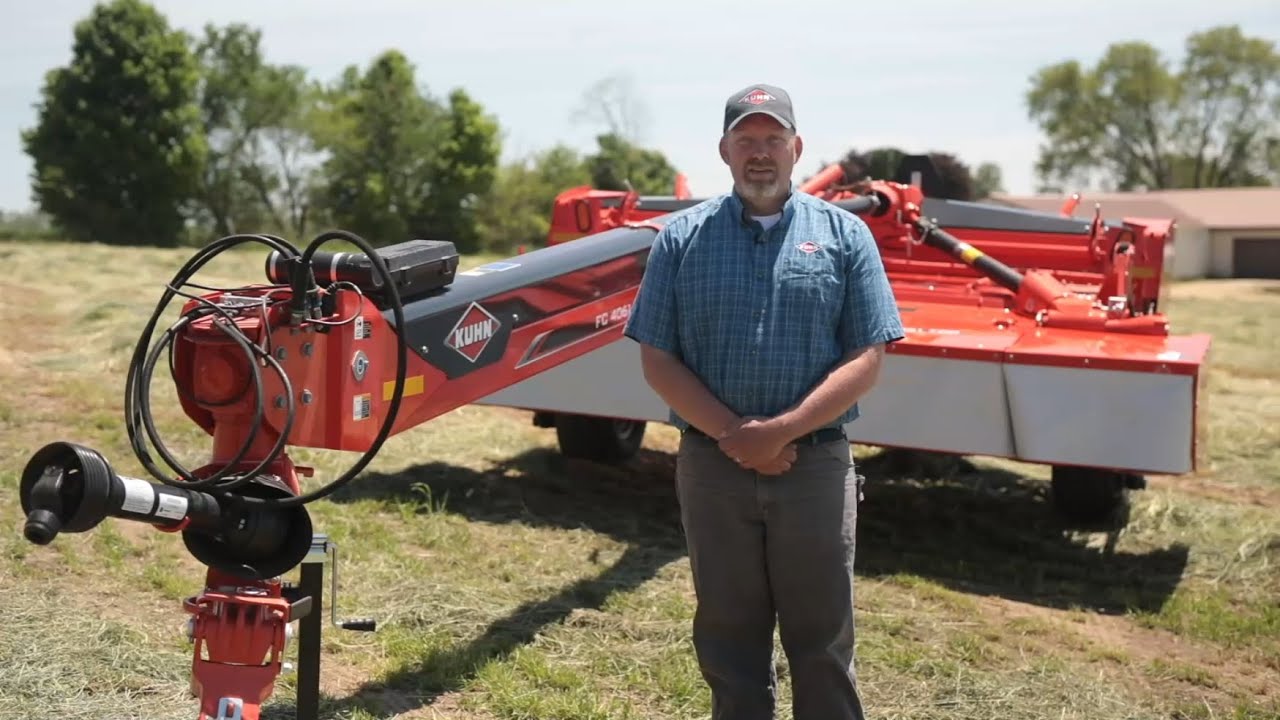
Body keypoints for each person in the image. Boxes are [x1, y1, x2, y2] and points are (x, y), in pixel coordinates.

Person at [622, 83, 904, 720]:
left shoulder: (846, 236)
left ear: (797, 147)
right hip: (711, 471)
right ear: (723, 150)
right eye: (745, 139)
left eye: (773, 138)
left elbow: (868, 358)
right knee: (728, 637)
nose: (760, 153)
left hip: (815, 470)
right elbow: (657, 358)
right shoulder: (681, 239)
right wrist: (735, 435)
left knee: (823, 640)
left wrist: (780, 431)